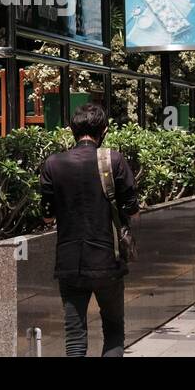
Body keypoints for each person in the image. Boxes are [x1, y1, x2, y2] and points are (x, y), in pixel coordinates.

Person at [39, 103, 139, 357]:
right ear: (103, 130)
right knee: (114, 329)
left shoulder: (53, 164)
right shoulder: (113, 160)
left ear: (72, 130)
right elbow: (132, 210)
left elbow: (48, 218)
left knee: (75, 335)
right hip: (107, 259)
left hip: (70, 261)